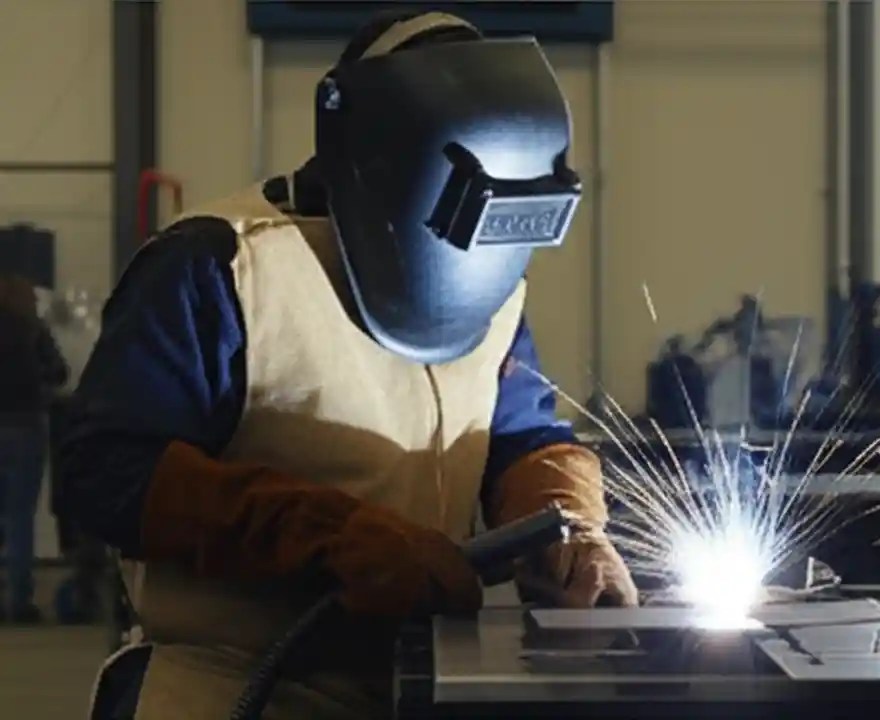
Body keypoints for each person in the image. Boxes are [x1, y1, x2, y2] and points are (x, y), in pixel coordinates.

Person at [59, 11, 636, 719]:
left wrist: (570, 526)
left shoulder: (485, 287)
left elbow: (516, 433)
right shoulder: (222, 268)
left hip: (415, 688)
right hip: (231, 689)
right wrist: (328, 536)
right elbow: (103, 469)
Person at [0, 272, 68, 624]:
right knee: (19, 519)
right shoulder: (32, 329)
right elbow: (60, 372)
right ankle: (19, 603)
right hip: (25, 427)